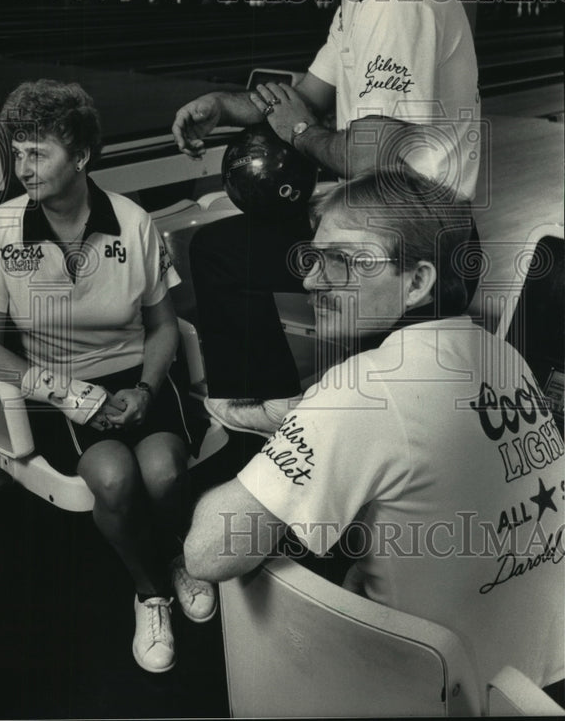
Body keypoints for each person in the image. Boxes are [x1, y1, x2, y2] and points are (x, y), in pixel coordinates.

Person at [183, 167, 564, 692]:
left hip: (450, 696)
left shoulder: (363, 390)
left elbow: (206, 553)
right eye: (314, 257)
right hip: (543, 678)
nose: (311, 280)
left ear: (417, 283)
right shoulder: (504, 357)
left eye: (342, 260)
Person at [172, 0, 481, 434]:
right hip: (390, 224)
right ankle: (279, 409)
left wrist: (299, 133)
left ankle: (273, 410)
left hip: (420, 247)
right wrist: (225, 106)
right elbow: (307, 96)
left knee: (224, 253)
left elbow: (372, 156)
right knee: (226, 246)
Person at [0, 79, 216, 674]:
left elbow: (163, 327)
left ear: (79, 156)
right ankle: (150, 591)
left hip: (138, 375)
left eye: (38, 152)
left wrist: (145, 389)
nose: (23, 168)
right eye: (17, 152)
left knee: (163, 471)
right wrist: (70, 395)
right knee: (113, 477)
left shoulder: (132, 221)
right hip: (57, 382)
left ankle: (178, 556)